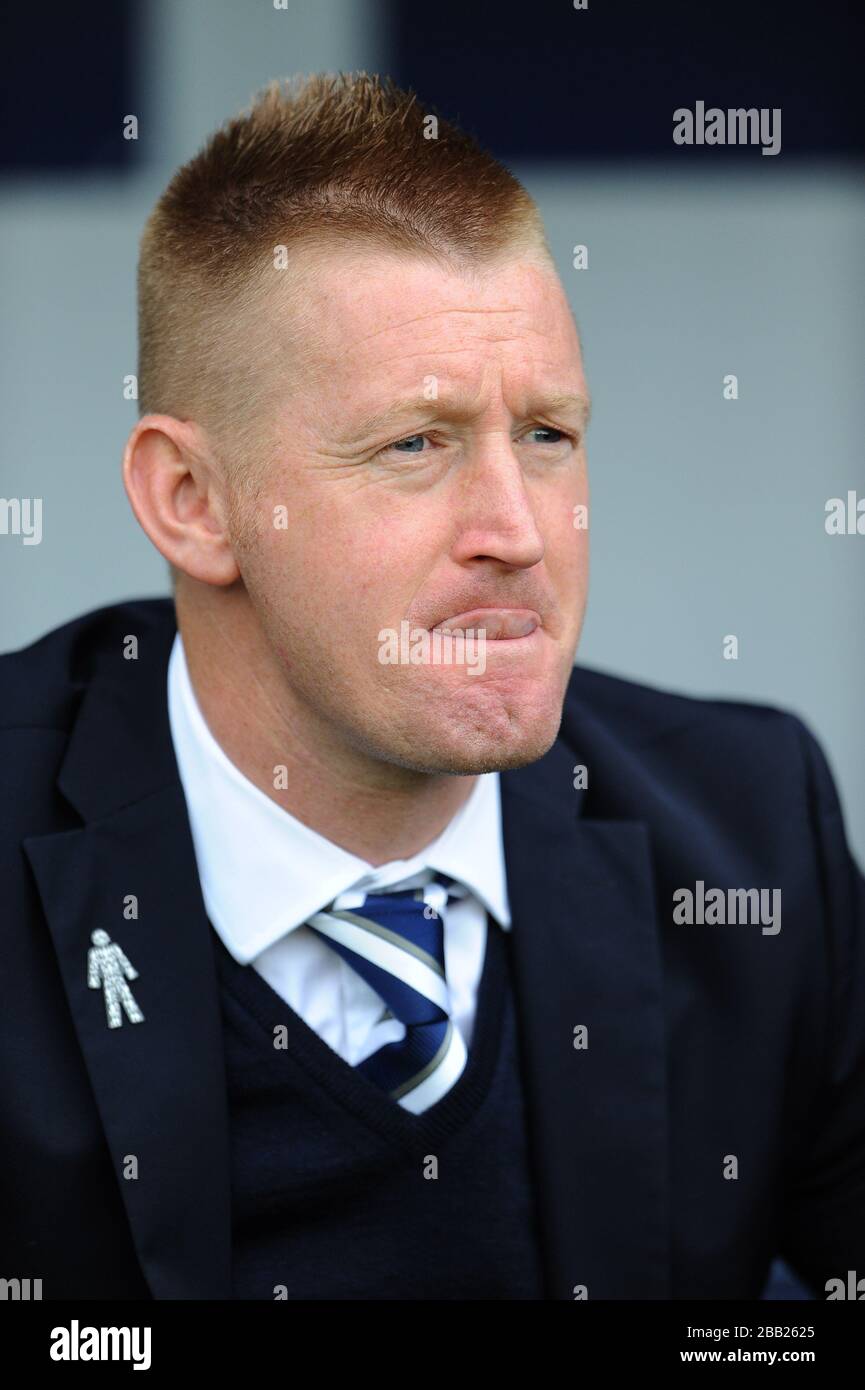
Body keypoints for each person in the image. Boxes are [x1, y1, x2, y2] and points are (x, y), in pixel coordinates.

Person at [1, 72, 862, 1302]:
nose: (517, 529)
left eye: (549, 435)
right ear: (192, 503)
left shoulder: (750, 834)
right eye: (416, 444)